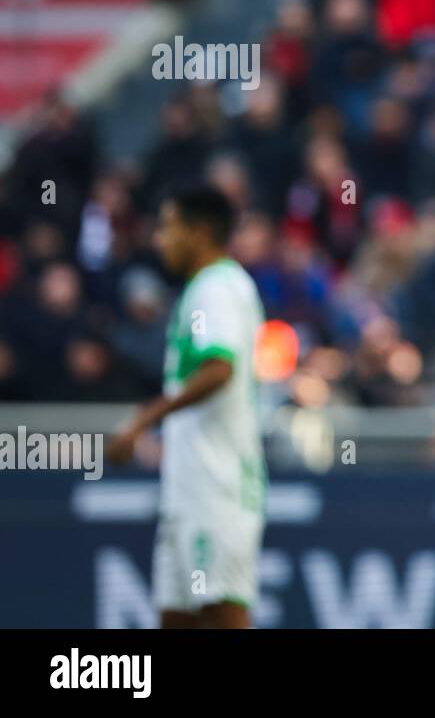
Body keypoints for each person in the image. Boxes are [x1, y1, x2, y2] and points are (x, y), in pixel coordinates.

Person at [107, 185, 266, 629]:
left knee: (222, 613)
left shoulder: (217, 288)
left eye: (167, 227)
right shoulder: (203, 288)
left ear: (198, 232)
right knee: (176, 619)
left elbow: (220, 369)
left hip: (219, 485)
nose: (160, 239)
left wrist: (143, 419)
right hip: (190, 487)